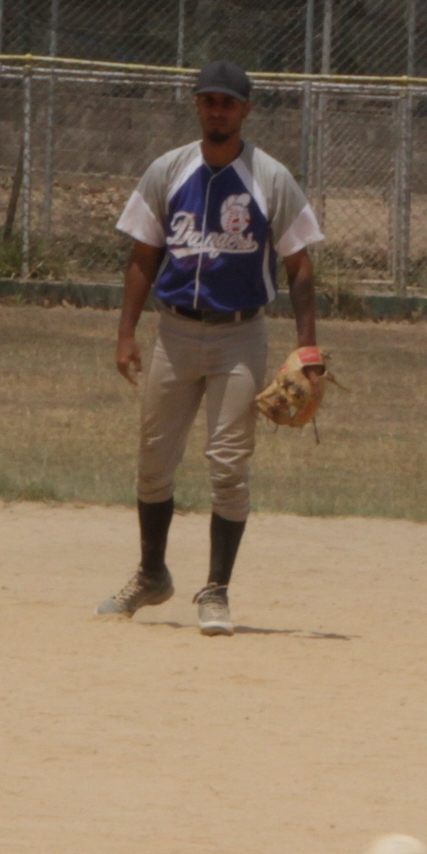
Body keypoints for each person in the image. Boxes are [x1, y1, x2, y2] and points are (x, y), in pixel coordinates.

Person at [96, 60, 324, 635]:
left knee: (228, 466)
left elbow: (299, 266)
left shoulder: (270, 178)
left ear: (246, 110)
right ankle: (152, 574)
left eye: (227, 102)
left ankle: (216, 591)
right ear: (197, 106)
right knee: (153, 464)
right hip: (173, 332)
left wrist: (309, 351)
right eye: (207, 100)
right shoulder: (168, 170)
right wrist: (125, 334)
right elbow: (142, 257)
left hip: (239, 337)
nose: (216, 109)